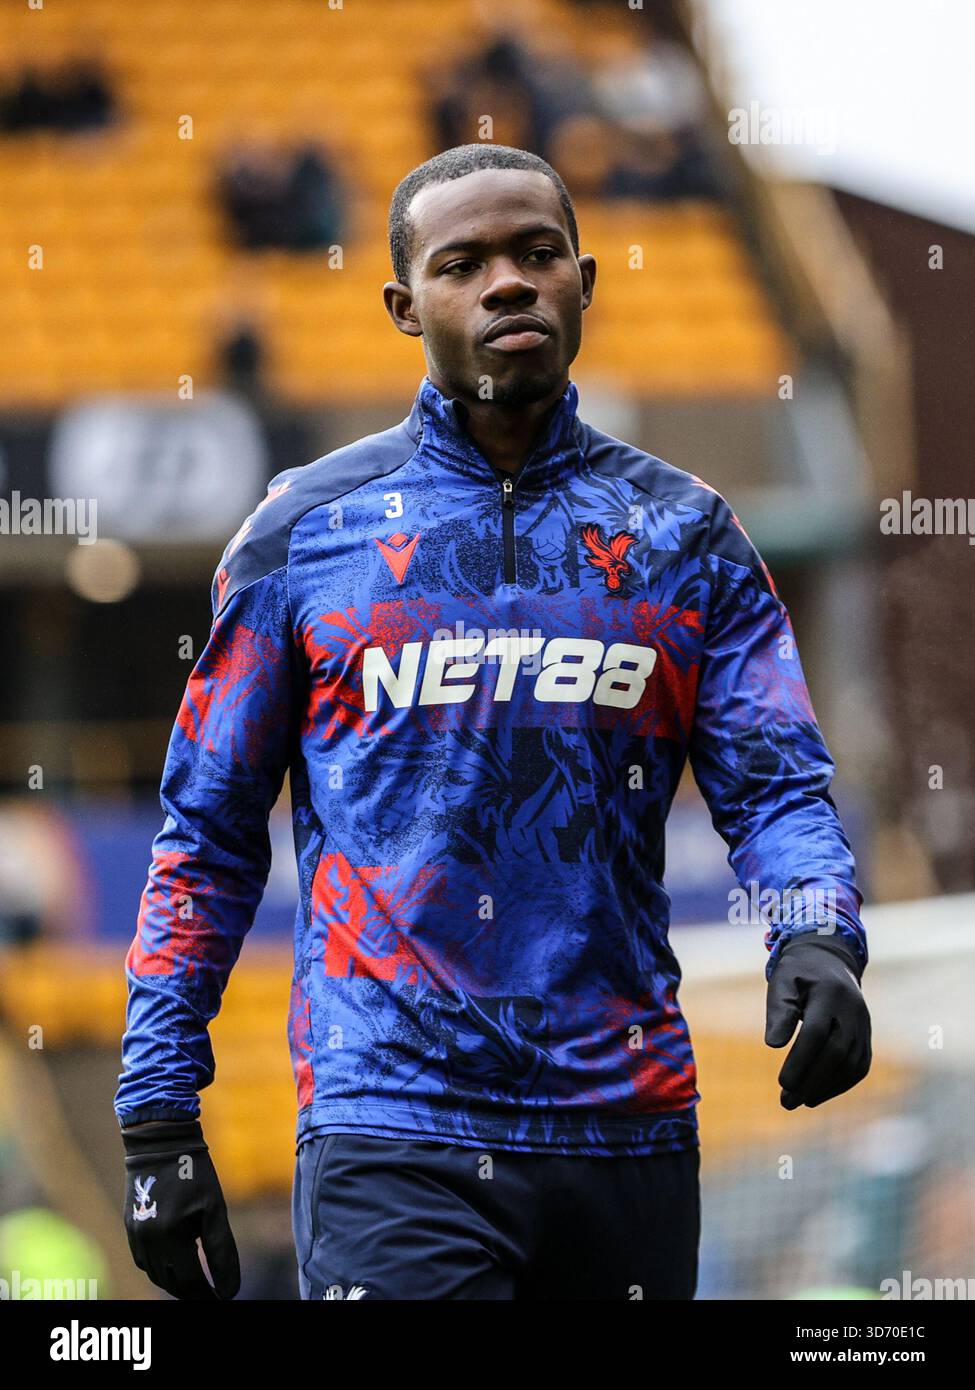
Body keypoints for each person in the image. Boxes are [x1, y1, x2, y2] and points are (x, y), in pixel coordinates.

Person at [115, 143, 871, 1301]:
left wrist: (817, 934)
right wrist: (157, 1114)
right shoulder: (302, 535)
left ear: (586, 280)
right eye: (464, 262)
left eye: (536, 252)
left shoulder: (688, 534)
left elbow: (775, 790)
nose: (508, 282)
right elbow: (207, 834)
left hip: (629, 1130)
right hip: (392, 1130)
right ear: (404, 305)